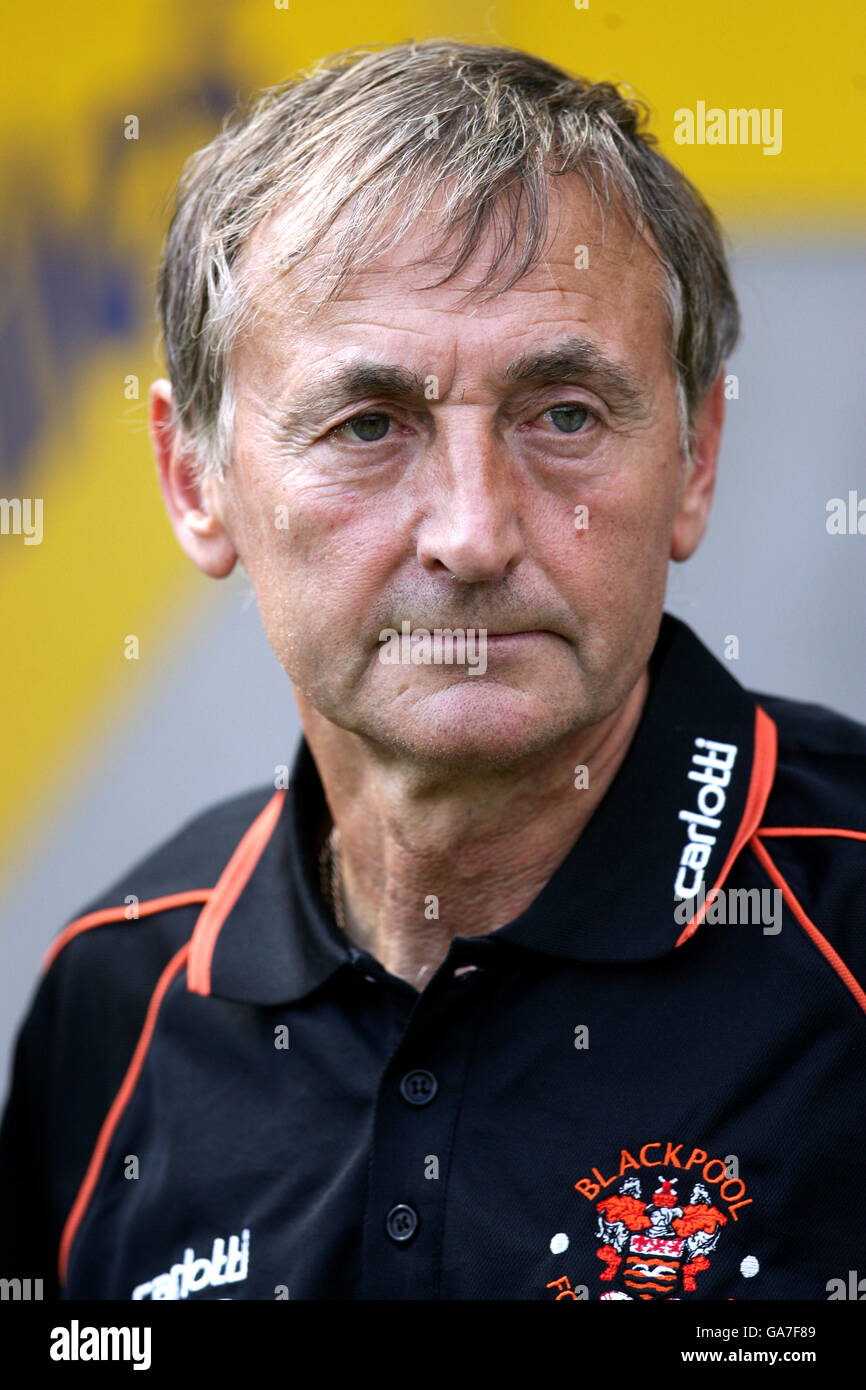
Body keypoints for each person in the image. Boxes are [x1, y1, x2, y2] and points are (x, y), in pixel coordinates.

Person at [1, 39, 864, 1303]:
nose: (472, 532)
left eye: (562, 413)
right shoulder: (114, 995)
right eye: (368, 425)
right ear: (195, 480)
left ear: (692, 454)